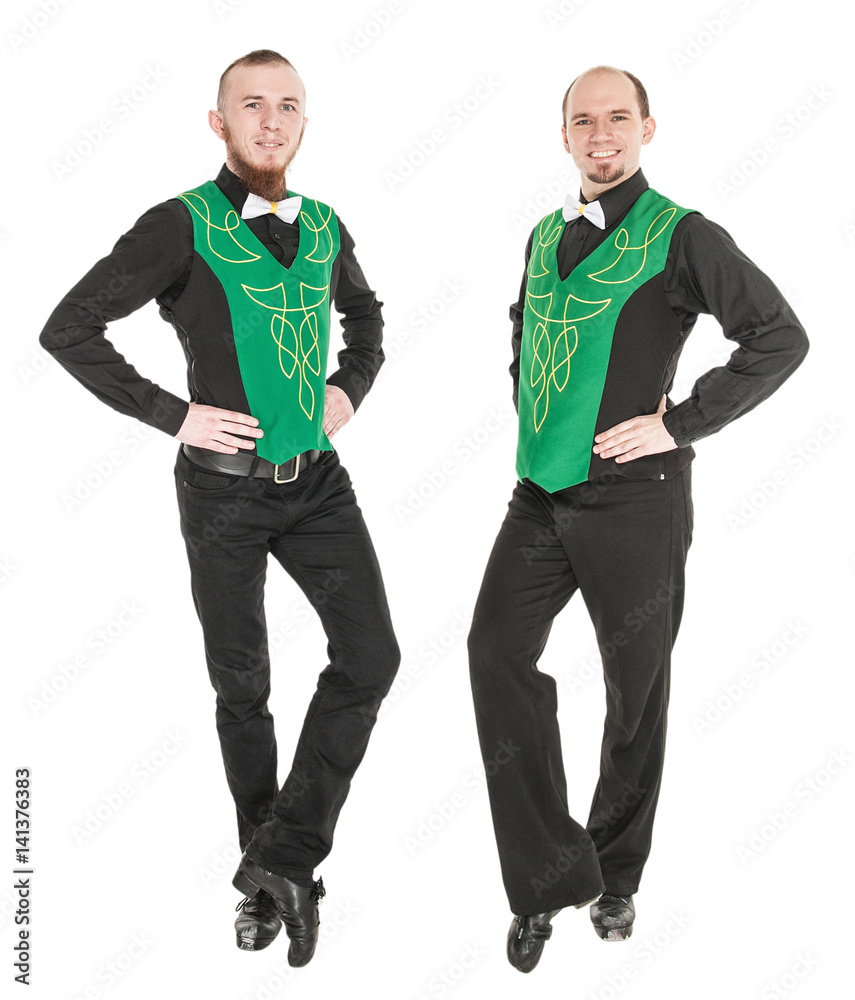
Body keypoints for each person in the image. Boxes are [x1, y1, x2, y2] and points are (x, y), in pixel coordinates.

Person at [39, 49, 400, 967]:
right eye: (252, 105)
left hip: (317, 485)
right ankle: (265, 884)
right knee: (244, 688)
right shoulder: (180, 225)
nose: (271, 121)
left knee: (371, 656)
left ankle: (282, 857)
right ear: (219, 122)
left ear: (304, 122)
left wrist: (349, 388)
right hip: (221, 495)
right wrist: (173, 414)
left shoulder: (324, 225)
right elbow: (68, 328)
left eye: (288, 106)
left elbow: (366, 318)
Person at [467, 65, 808, 973]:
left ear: (646, 129)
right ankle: (549, 874)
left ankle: (615, 874)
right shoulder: (545, 234)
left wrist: (678, 422)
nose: (600, 135)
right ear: (564, 137)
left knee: (634, 692)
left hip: (636, 499)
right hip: (539, 495)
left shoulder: (682, 235)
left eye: (617, 118)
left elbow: (778, 337)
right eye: (583, 121)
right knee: (492, 652)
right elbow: (525, 326)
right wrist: (530, 404)